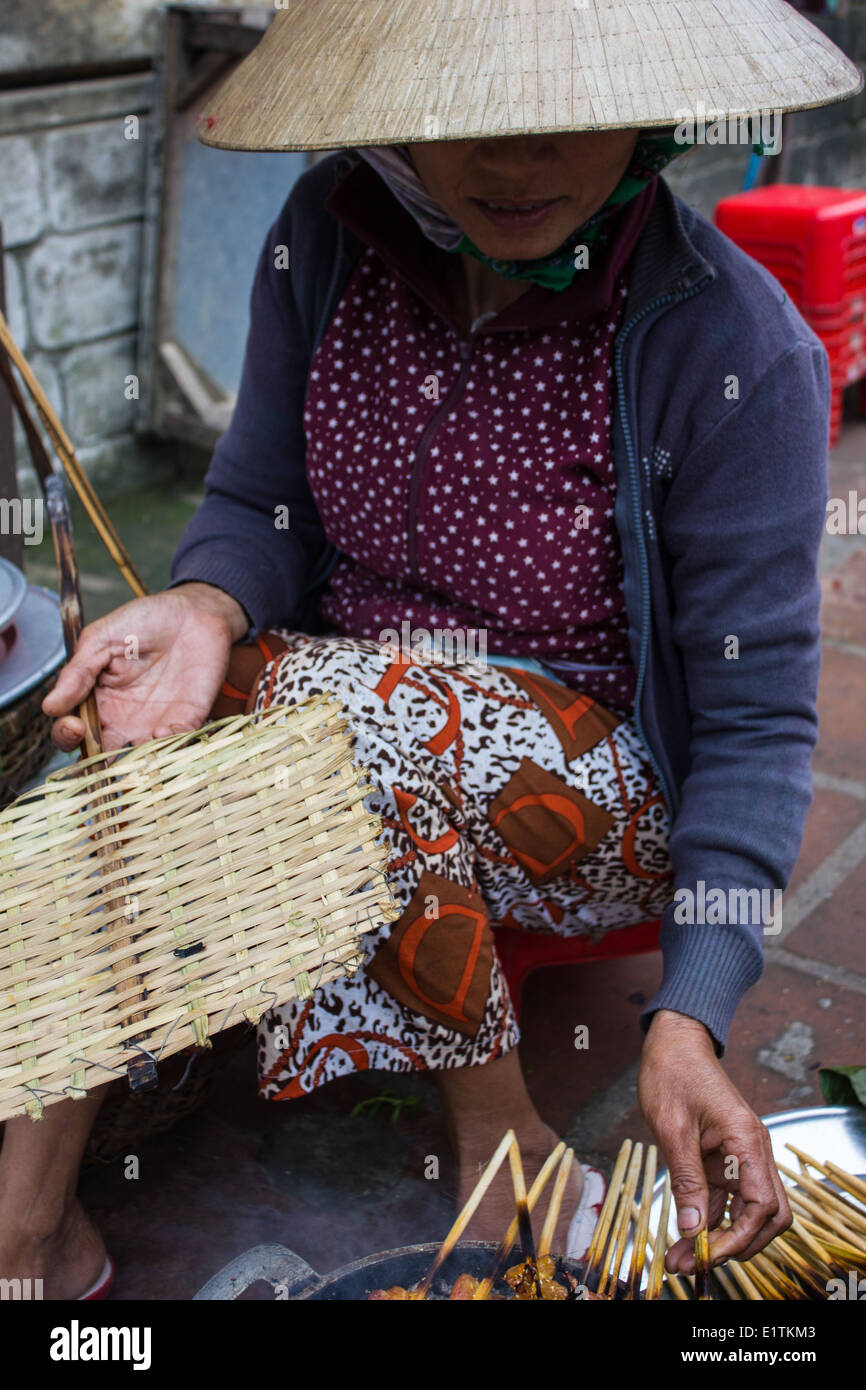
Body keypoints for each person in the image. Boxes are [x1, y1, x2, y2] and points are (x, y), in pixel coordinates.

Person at [2, 0, 860, 1299]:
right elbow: (253, 504)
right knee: (127, 724)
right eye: (467, 116)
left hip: (592, 785)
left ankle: (494, 1135)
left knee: (340, 727)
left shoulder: (733, 349)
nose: (513, 163)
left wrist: (689, 1014)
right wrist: (210, 607)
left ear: (645, 104)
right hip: (334, 704)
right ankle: (32, 1230)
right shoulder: (327, 234)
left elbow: (753, 728)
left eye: (559, 111)